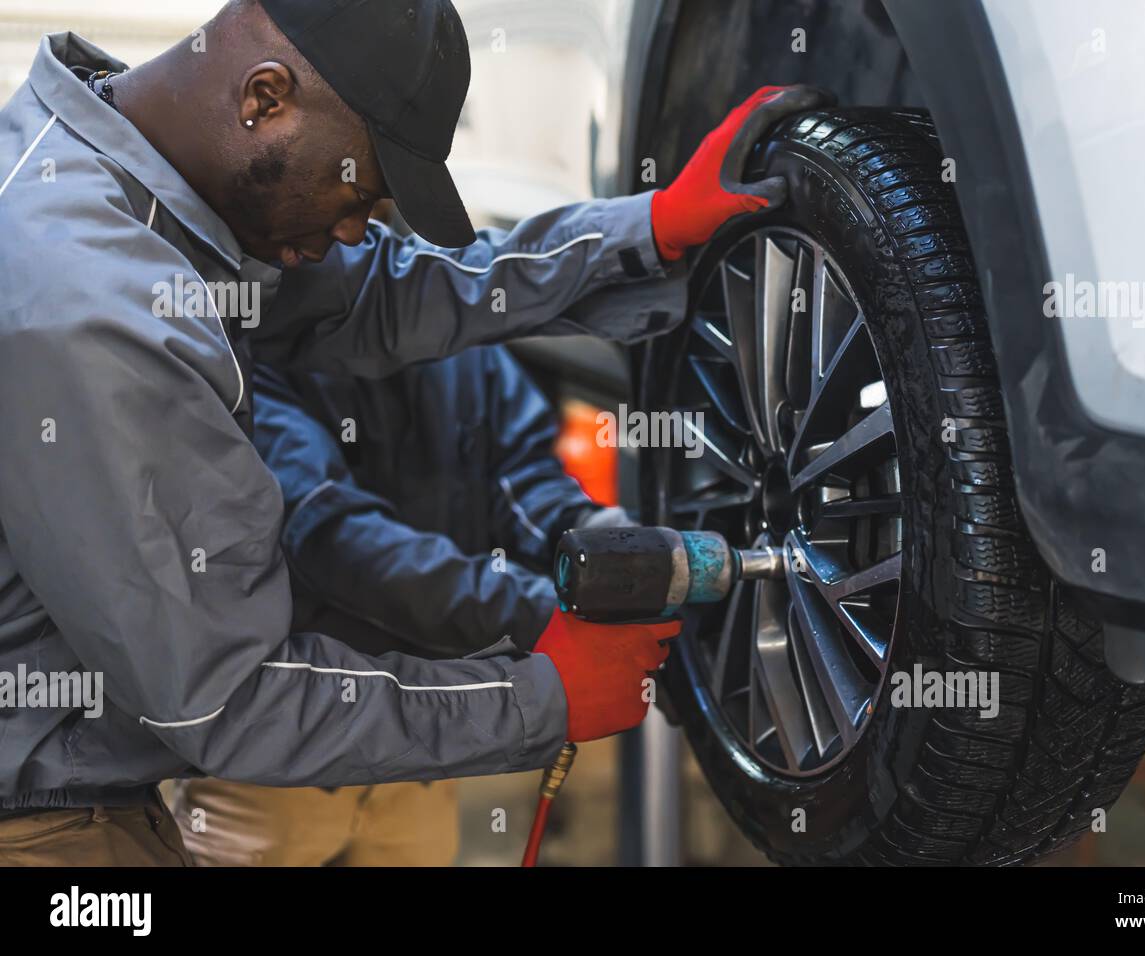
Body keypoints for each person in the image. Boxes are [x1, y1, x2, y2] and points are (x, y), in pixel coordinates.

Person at [0, 0, 825, 865]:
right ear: (265, 99)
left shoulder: (123, 188)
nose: (357, 228)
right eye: (356, 191)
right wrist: (542, 694)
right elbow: (231, 697)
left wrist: (642, 231)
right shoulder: (96, 310)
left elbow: (381, 290)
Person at [172, 351, 629, 865]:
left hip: (421, 750)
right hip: (277, 761)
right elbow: (337, 539)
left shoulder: (471, 354)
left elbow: (529, 492)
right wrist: (547, 613)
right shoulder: (257, 354)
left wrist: (610, 551)